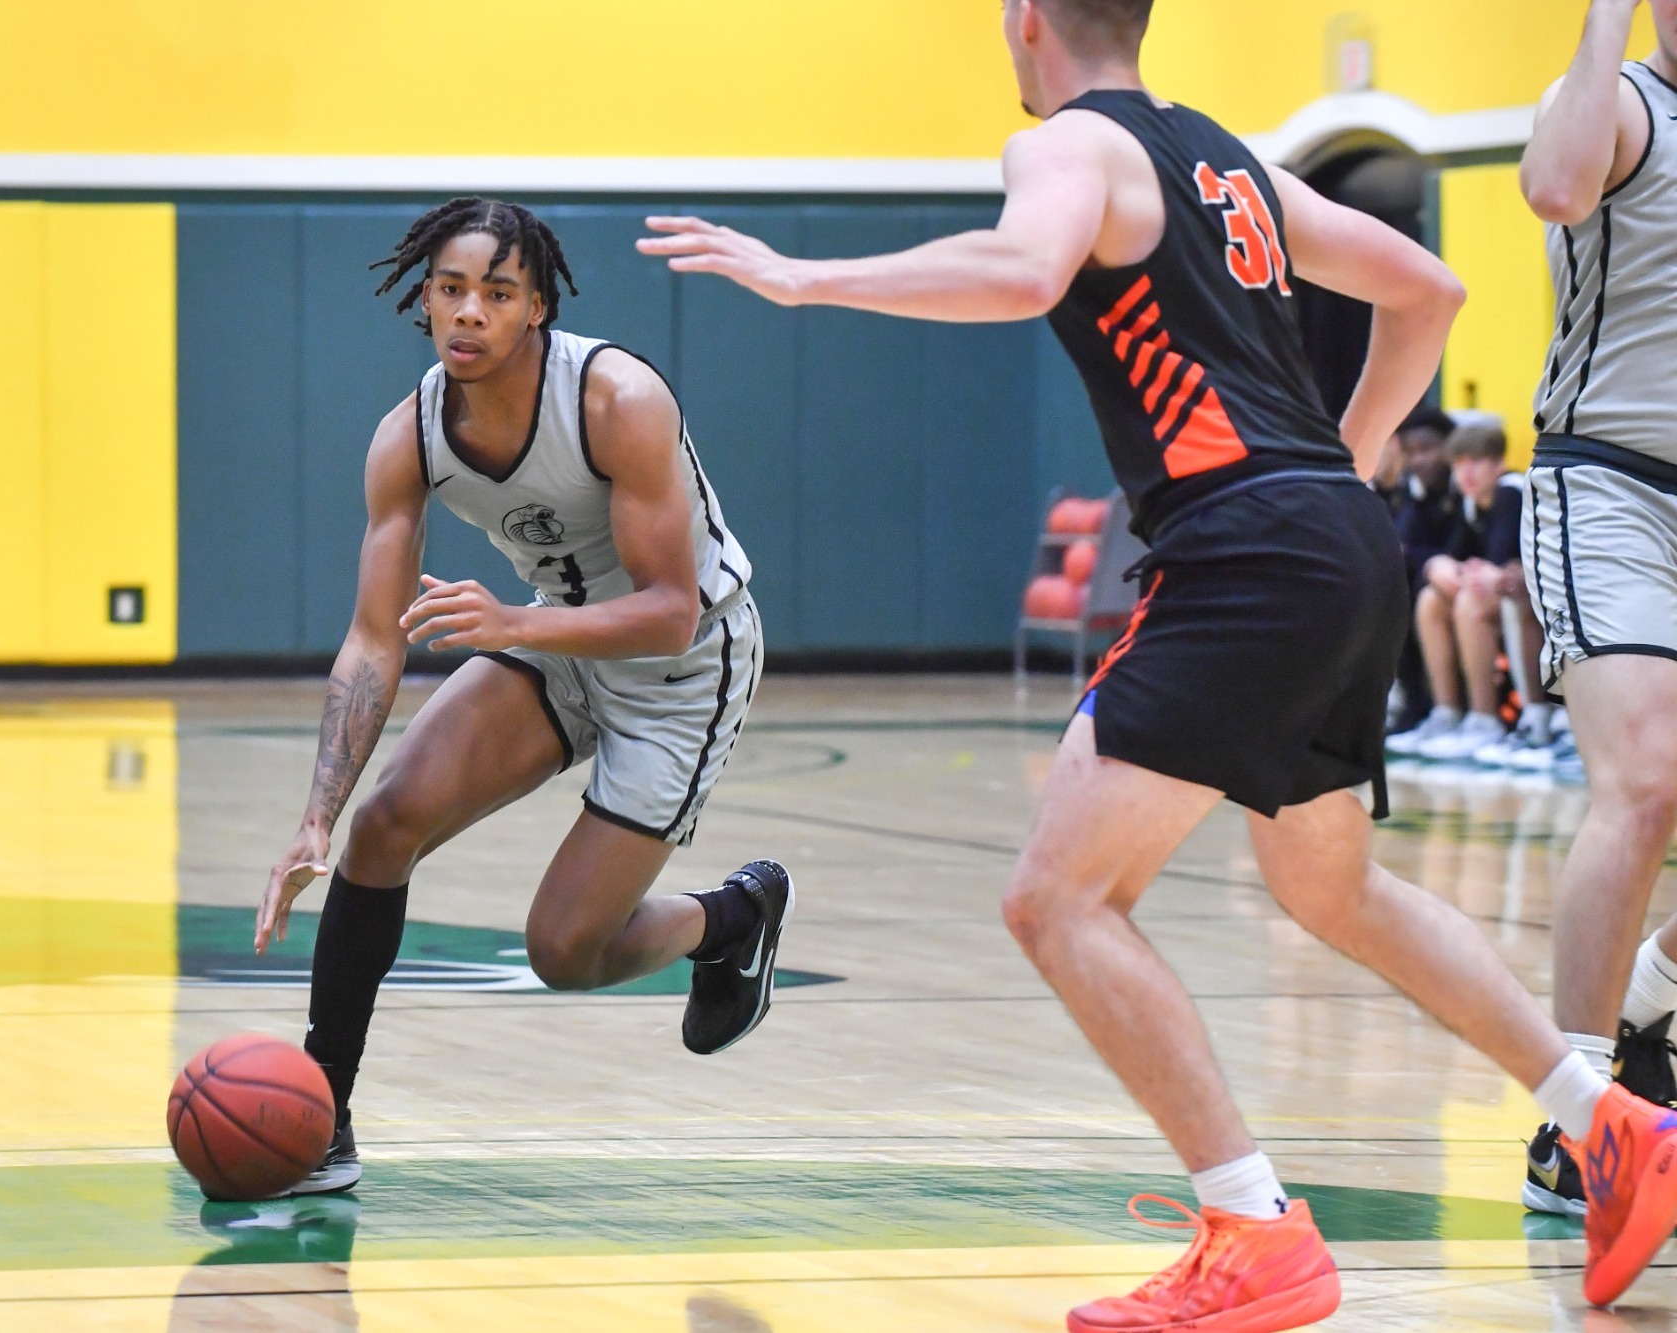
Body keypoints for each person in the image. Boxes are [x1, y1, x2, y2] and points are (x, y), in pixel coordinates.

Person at [638, 0, 1677, 1322]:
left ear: (1026, 21)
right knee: (1332, 887)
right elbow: (1432, 288)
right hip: (1335, 540)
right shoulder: (1222, 155)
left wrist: (808, 275)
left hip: (1245, 548)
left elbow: (1022, 274)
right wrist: (1348, 464)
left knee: (1057, 897)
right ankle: (1613, 1124)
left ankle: (1253, 1229)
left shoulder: (1069, 147)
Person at [254, 198, 791, 1197]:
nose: (468, 313)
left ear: (535, 307)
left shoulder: (616, 398)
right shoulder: (407, 435)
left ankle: (732, 916)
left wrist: (514, 625)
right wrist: (311, 818)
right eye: (450, 290)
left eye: (495, 293)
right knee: (381, 828)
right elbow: (373, 639)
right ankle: (323, 1114)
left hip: (685, 668)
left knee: (564, 951)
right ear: (424, 301)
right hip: (550, 636)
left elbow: (670, 612)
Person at [1517, 0, 1677, 1219]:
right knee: (1646, 780)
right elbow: (1550, 187)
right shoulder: (1617, 102)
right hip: (1608, 483)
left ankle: (1648, 1004)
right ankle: (1573, 1120)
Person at [1386, 420, 1550, 762]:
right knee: (1432, 599)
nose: (1465, 473)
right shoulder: (1470, 503)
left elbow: (1505, 561)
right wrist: (1443, 566)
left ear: (1498, 464)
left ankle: (1497, 718)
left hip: (1540, 595)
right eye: (1459, 464)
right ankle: (1447, 712)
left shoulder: (1509, 492)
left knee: (1469, 602)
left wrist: (1475, 572)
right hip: (1506, 593)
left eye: (1475, 462)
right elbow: (1462, 556)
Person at [1383, 406, 1459, 733]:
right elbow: (1402, 547)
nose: (1418, 461)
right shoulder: (1414, 496)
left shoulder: (1468, 493)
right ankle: (1413, 701)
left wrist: (1422, 560)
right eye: (1411, 452)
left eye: (1427, 449)